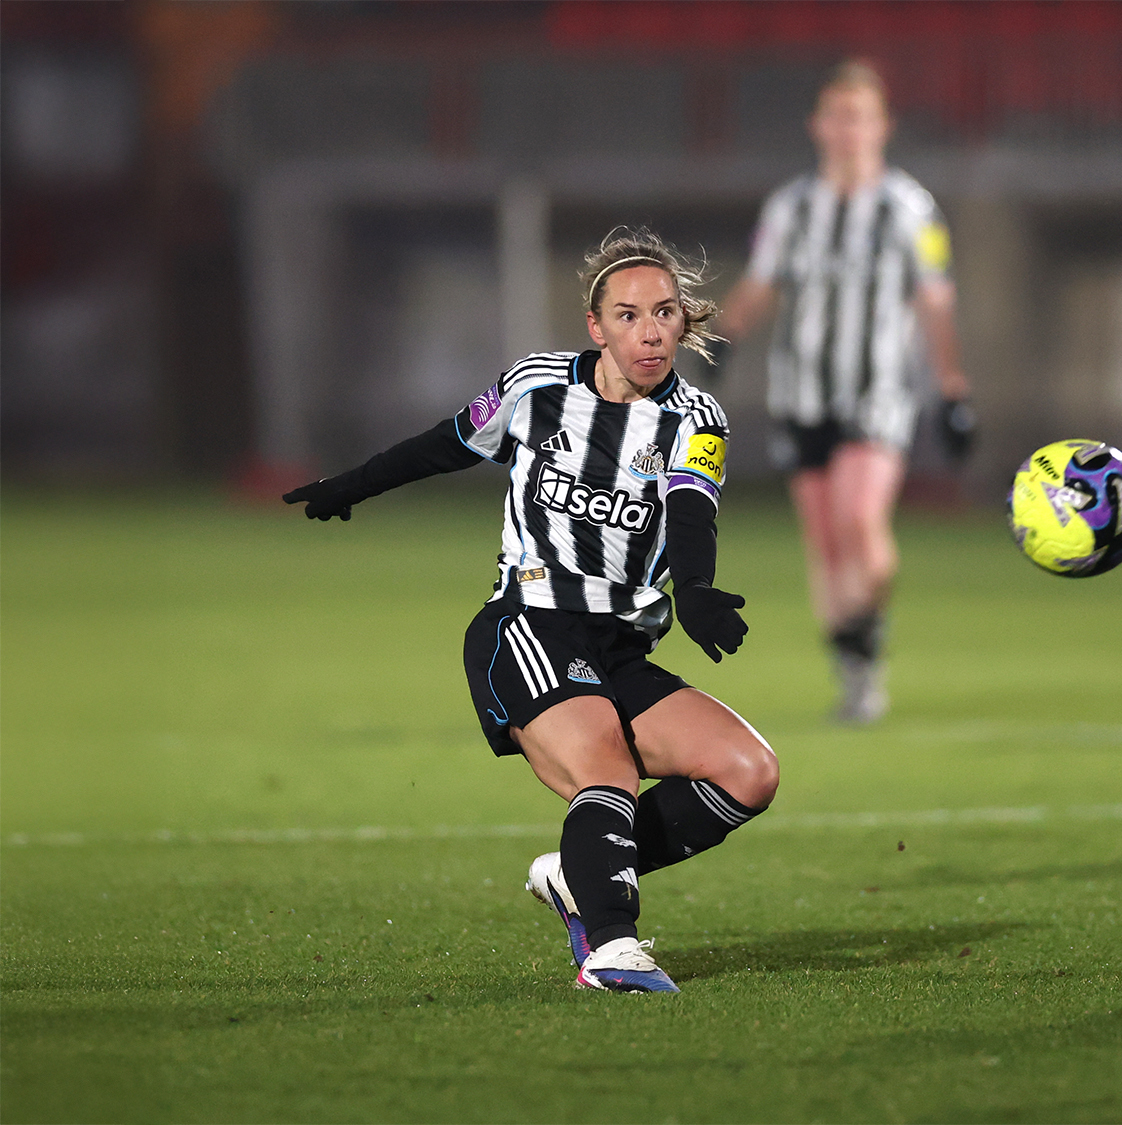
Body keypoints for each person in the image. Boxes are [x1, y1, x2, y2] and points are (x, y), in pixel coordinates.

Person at [283, 228, 779, 994]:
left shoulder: (697, 415)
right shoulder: (537, 386)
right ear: (596, 326)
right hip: (529, 622)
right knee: (606, 766)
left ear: (683, 319)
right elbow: (446, 443)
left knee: (748, 771)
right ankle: (612, 950)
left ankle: (581, 873)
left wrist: (699, 590)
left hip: (619, 647)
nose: (650, 331)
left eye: (665, 312)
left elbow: (690, 512)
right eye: (628, 314)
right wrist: (350, 485)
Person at [715, 59, 975, 724]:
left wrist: (951, 389)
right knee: (825, 537)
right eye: (836, 116)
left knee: (861, 517)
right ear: (817, 126)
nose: (847, 129)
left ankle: (868, 629)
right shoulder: (791, 206)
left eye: (859, 116)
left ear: (882, 126)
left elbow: (935, 302)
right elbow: (761, 281)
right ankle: (854, 670)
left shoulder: (910, 208)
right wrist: (723, 335)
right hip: (801, 391)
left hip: (879, 392)